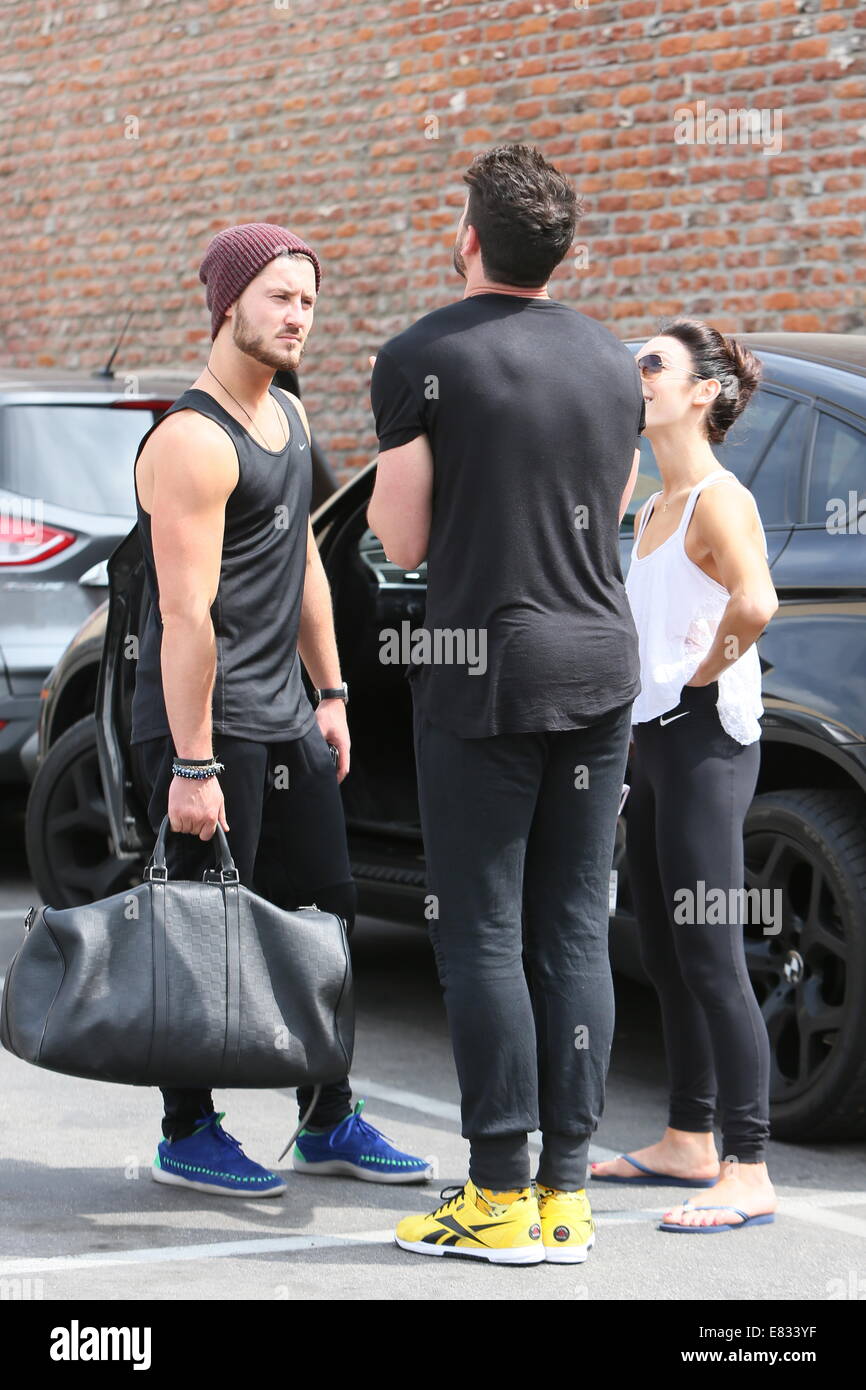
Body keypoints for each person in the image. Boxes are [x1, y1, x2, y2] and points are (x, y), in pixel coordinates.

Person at [368, 144, 645, 1264]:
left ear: (469, 235)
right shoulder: (613, 360)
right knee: (573, 922)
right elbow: (612, 505)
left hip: (486, 669)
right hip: (600, 665)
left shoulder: (419, 354)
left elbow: (400, 537)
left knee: (479, 930)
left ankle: (492, 1194)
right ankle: (565, 1198)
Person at [130, 222, 432, 1197]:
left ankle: (327, 1117)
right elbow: (183, 613)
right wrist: (188, 763)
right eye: (278, 297)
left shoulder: (288, 421)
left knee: (323, 920)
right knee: (202, 933)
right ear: (226, 304)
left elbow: (299, 558)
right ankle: (187, 1127)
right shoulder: (189, 439)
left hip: (287, 720)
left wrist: (333, 690)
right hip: (202, 729)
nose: (299, 315)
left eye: (307, 300)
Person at [590, 318, 779, 1233]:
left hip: (704, 741)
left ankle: (747, 1165)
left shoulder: (716, 497)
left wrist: (699, 682)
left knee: (709, 950)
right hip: (655, 741)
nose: (638, 378)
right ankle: (688, 1139)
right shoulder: (653, 507)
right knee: (662, 948)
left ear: (702, 392)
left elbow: (757, 602)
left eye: (652, 366)